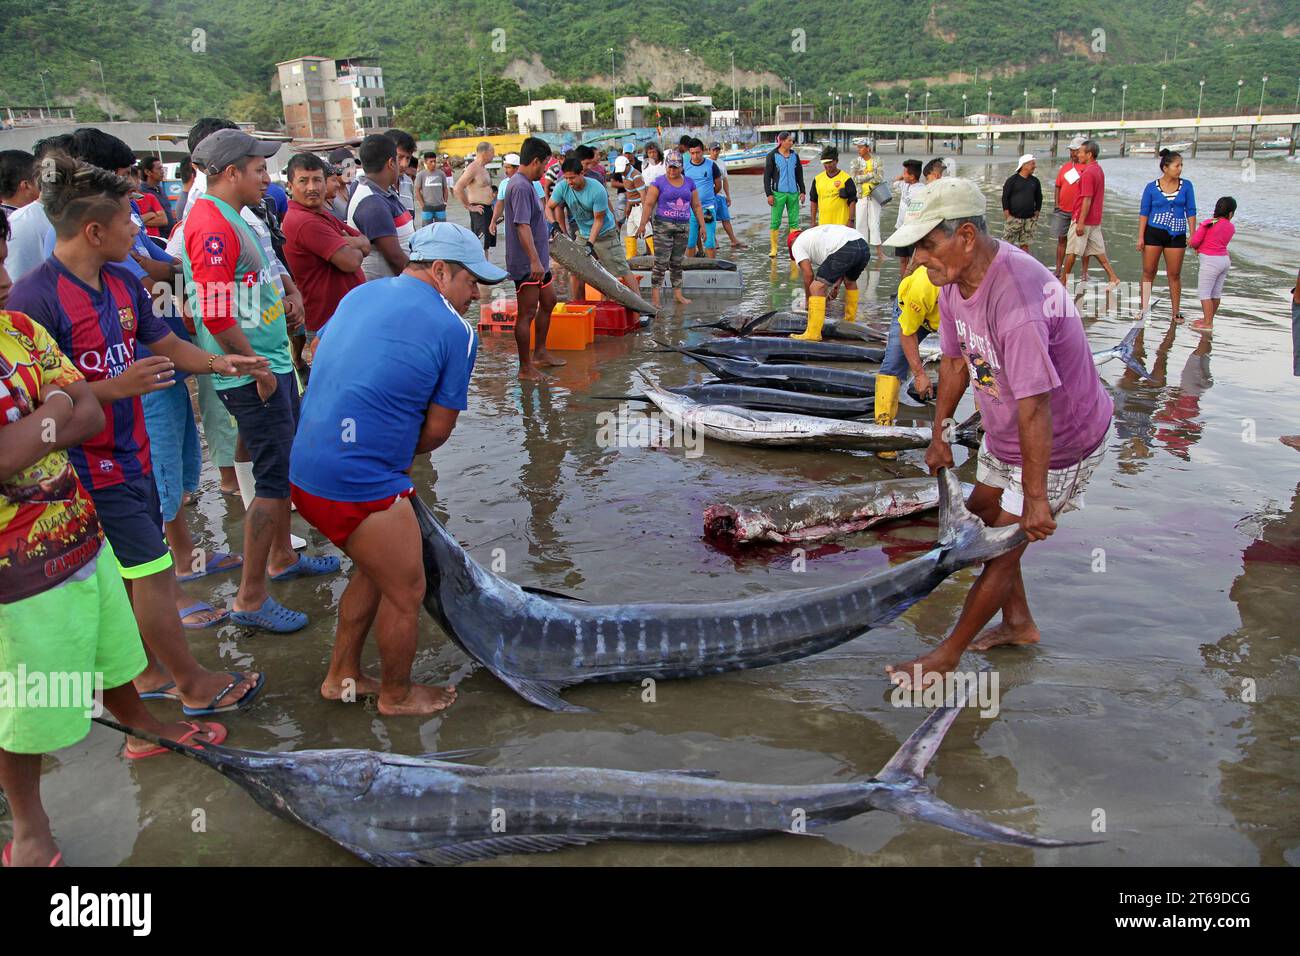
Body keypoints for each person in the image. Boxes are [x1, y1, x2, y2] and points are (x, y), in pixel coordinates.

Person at [0, 210, 231, 867]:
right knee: (24, 696)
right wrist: (54, 412)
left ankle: (139, 725)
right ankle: (28, 825)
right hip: (12, 562)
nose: (0, 279)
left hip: (74, 526)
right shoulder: (34, 307)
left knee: (113, 644)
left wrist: (46, 420)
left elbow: (90, 407)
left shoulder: (16, 328)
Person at [7, 155, 270, 714]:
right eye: (130, 221)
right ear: (95, 230)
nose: (140, 230)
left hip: (133, 450)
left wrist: (219, 363)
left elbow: (167, 344)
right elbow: (39, 406)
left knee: (135, 570)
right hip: (84, 467)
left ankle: (148, 672)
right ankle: (192, 682)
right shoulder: (35, 299)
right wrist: (117, 387)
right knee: (152, 571)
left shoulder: (124, 281)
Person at [881, 178, 1113, 685]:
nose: (919, 259)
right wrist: (939, 433)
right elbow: (955, 364)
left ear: (965, 235)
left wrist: (1035, 498)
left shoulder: (1018, 302)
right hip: (1006, 428)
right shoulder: (953, 282)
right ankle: (1018, 622)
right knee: (986, 513)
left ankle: (947, 656)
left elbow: (1037, 407)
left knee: (1003, 546)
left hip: (1060, 439)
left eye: (927, 244)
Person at [290, 223, 489, 717]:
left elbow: (320, 363)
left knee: (375, 571)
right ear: (440, 272)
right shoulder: (457, 331)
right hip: (359, 481)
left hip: (306, 465)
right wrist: (389, 455)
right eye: (471, 281)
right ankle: (397, 696)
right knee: (408, 589)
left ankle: (344, 676)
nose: (476, 294)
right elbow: (437, 433)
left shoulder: (362, 293)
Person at [183, 128, 341, 633]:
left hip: (270, 361)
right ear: (231, 173)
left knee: (276, 465)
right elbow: (212, 309)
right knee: (273, 484)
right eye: (258, 169)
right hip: (257, 371)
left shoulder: (236, 215)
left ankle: (281, 559)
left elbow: (256, 282)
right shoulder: (210, 221)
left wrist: (285, 304)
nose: (266, 178)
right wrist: (253, 365)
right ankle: (250, 599)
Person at [282, 152, 369, 362]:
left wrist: (345, 242)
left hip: (342, 319)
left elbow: (366, 242)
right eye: (303, 181)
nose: (312, 187)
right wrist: (349, 243)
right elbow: (350, 262)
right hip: (329, 323)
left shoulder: (319, 214)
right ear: (290, 186)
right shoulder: (304, 221)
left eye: (317, 180)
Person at [503, 136, 565, 381]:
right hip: (527, 263)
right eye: (544, 165)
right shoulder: (518, 185)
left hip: (539, 259)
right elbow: (521, 226)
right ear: (536, 161)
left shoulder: (527, 184)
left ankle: (540, 352)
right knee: (526, 313)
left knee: (549, 301)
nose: (545, 170)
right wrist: (534, 261)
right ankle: (525, 367)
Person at [874, 261, 942, 459]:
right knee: (895, 363)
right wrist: (920, 374)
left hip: (940, 318)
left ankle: (983, 426)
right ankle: (883, 432)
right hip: (911, 310)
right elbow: (907, 333)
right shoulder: (924, 286)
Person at [548, 154, 638, 295]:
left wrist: (590, 244)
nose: (569, 181)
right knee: (575, 271)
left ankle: (642, 308)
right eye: (566, 178)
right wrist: (554, 224)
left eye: (572, 178)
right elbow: (549, 207)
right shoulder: (562, 186)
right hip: (583, 234)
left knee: (621, 270)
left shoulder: (597, 189)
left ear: (582, 173)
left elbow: (598, 220)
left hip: (605, 233)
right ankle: (578, 306)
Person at [638, 148, 706, 308]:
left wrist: (702, 225)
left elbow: (696, 205)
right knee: (660, 262)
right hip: (663, 226)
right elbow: (648, 203)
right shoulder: (659, 182)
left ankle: (678, 294)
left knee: (677, 262)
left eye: (675, 167)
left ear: (681, 167)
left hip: (683, 226)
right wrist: (642, 224)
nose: (672, 170)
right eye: (670, 166)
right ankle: (656, 298)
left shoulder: (689, 182)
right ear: (666, 166)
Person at [1138, 149, 1197, 322]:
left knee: (1174, 274)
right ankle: (1143, 309)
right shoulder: (1151, 187)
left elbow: (1191, 211)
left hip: (1177, 235)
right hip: (1153, 232)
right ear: (1165, 167)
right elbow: (1144, 212)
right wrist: (1140, 236)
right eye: (1177, 165)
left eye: (1181, 165)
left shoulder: (1187, 186)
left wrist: (1193, 234)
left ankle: (1176, 311)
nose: (1180, 169)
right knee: (1149, 271)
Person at [346, 134, 414, 281]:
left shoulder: (383, 192)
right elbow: (395, 258)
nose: (402, 164)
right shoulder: (372, 202)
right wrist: (424, 282)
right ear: (391, 163)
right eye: (398, 159)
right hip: (387, 288)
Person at [786, 223, 871, 340]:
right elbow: (843, 264)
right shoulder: (814, 235)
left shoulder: (796, 244)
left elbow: (808, 274)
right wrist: (835, 287)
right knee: (850, 281)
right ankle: (850, 322)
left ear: (791, 245)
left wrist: (808, 301)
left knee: (815, 287)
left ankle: (813, 334)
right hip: (863, 245)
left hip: (845, 247)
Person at [1060, 139, 1121, 288]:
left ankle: (1063, 281)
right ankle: (1113, 277)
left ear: (1089, 154)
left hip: (1084, 219)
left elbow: (1087, 199)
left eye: (1080, 152)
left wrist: (1080, 222)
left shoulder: (1088, 173)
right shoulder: (1098, 169)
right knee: (1098, 250)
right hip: (1094, 219)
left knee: (1072, 252)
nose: (1077, 154)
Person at [1188, 196, 1236, 331]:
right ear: (1230, 213)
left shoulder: (1209, 223)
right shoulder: (1231, 227)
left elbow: (1195, 241)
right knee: (1216, 293)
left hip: (1210, 261)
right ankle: (1208, 319)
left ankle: (1208, 323)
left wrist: (1194, 244)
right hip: (1224, 260)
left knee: (1204, 293)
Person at [764, 132, 806, 258]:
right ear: (781, 141)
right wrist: (769, 194)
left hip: (793, 193)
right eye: (789, 140)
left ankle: (794, 249)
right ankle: (774, 249)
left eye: (792, 140)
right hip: (778, 194)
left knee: (794, 222)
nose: (791, 143)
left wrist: (802, 191)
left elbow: (799, 174)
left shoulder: (795, 155)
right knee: (775, 221)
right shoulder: (772, 156)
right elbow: (767, 177)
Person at [1051, 137, 1087, 279]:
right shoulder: (1066, 167)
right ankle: (1059, 269)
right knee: (1061, 239)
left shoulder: (1088, 167)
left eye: (1074, 151)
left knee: (1083, 241)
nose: (1072, 154)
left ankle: (1084, 272)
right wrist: (1056, 204)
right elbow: (1058, 186)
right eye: (1071, 151)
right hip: (1063, 209)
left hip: (1079, 211)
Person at [453, 141, 496, 250]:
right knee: (480, 245)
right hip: (479, 210)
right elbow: (458, 187)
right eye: (492, 152)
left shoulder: (483, 168)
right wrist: (469, 206)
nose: (494, 155)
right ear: (484, 153)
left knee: (487, 245)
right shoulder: (473, 168)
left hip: (487, 209)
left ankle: (486, 266)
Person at [683, 139, 722, 259]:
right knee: (690, 242)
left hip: (708, 209)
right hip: (691, 210)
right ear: (689, 152)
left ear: (703, 151)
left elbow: (718, 185)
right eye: (692, 153)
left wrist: (708, 197)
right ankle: (687, 270)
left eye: (698, 152)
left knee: (709, 242)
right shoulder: (685, 167)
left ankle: (712, 271)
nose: (695, 156)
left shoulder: (711, 165)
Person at [850, 138, 884, 258]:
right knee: (860, 224)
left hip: (874, 195)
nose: (858, 149)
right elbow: (854, 178)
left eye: (861, 147)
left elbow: (879, 178)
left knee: (875, 223)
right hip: (860, 196)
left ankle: (880, 253)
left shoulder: (877, 160)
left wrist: (863, 175)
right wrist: (870, 175)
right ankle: (862, 251)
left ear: (868, 148)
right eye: (857, 147)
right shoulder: (855, 161)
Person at [707, 142, 746, 250]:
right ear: (709, 150)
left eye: (717, 150)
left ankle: (733, 240)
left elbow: (725, 180)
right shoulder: (707, 163)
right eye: (714, 150)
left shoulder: (721, 163)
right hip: (711, 195)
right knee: (710, 219)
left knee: (725, 218)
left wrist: (728, 196)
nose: (716, 152)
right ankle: (713, 240)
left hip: (721, 195)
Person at [1001, 154, 1042, 253]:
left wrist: (1037, 212)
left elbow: (1039, 197)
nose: (1034, 166)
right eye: (1032, 164)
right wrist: (1007, 214)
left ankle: (1023, 265)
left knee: (1025, 245)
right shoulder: (1012, 181)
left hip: (1029, 219)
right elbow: (1005, 197)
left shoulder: (1035, 181)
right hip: (1014, 218)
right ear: (1024, 165)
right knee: (1007, 245)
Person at [890, 159, 925, 275]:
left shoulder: (922, 190)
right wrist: (903, 176)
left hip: (912, 230)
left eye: (905, 173)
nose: (902, 175)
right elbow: (894, 182)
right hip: (901, 228)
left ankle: (911, 286)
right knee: (902, 259)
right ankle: (902, 287)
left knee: (913, 260)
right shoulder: (905, 185)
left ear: (912, 176)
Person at [810, 145, 856, 228]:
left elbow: (852, 201)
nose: (827, 165)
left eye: (830, 162)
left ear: (836, 161)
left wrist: (851, 220)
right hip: (824, 225)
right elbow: (813, 201)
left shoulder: (846, 179)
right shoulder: (817, 179)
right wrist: (813, 221)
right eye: (825, 163)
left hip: (842, 224)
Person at [614, 154, 646, 258]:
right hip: (632, 206)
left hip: (640, 206)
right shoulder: (624, 175)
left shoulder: (636, 175)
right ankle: (631, 257)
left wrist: (646, 212)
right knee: (630, 232)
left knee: (647, 230)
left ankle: (655, 256)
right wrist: (628, 206)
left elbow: (643, 194)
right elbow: (628, 192)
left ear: (628, 165)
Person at [136, 156, 177, 237]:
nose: (162, 171)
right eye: (159, 169)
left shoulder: (160, 189)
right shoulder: (142, 193)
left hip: (169, 236)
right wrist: (152, 216)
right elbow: (138, 220)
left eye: (162, 168)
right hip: (157, 239)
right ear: (148, 172)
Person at [382, 129, 418, 217]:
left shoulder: (408, 181)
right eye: (400, 157)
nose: (404, 164)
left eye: (408, 158)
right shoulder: (376, 186)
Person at [415, 150, 450, 225]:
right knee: (427, 230)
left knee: (442, 229)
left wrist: (445, 203)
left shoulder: (441, 174)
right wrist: (422, 205)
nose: (433, 164)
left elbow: (445, 189)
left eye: (435, 161)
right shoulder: (421, 175)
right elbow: (417, 191)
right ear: (425, 162)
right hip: (427, 208)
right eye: (431, 161)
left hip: (440, 207)